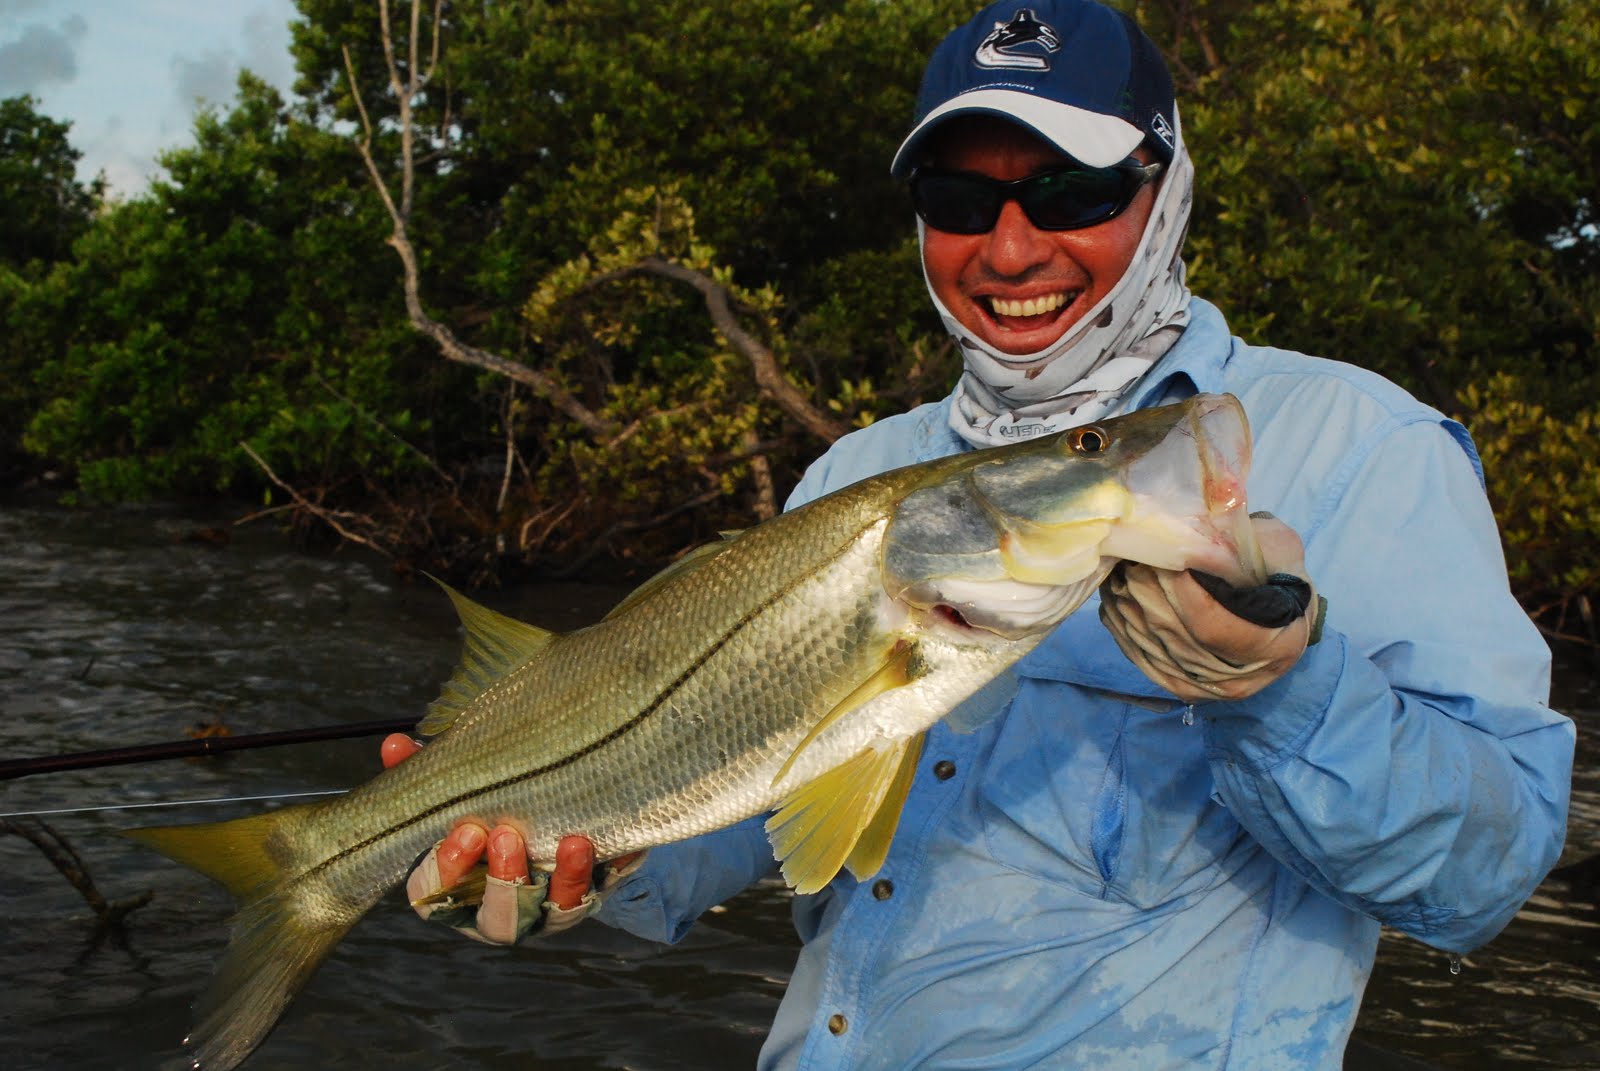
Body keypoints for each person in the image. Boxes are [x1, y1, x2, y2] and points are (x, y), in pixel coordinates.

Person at [383, 2, 1575, 1066]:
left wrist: (1282, 685)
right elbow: (746, 810)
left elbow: (1487, 875)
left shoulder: (1358, 446)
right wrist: (591, 865)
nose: (1009, 249)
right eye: (959, 201)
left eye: (1071, 193)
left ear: (1165, 190)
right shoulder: (861, 471)